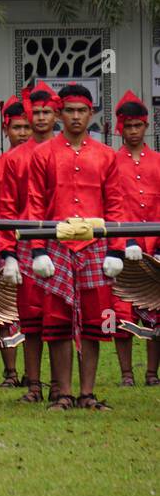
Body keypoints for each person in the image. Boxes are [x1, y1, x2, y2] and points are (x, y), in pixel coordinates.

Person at [26, 83, 124, 411]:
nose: (76, 117)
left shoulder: (107, 156)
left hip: (95, 245)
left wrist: (116, 250)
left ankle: (88, 393)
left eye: (82, 111)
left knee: (96, 323)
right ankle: (64, 392)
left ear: (92, 114)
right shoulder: (43, 155)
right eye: (69, 110)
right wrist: (38, 249)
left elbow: (116, 204)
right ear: (59, 114)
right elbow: (35, 204)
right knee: (57, 321)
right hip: (57, 244)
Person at [0, 81, 60, 401]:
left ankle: (61, 386)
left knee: (61, 316)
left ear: (55, 114)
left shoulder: (66, 151)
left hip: (63, 241)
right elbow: (7, 207)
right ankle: (33, 385)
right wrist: (7, 252)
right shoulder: (14, 159)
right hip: (26, 242)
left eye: (46, 112)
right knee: (31, 318)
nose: (39, 118)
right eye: (34, 113)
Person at [0, 95, 34, 388]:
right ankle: (11, 372)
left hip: (36, 246)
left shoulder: (43, 160)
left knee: (33, 314)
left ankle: (33, 373)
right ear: (6, 129)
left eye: (27, 126)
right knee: (6, 314)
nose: (23, 133)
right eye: (17, 127)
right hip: (5, 246)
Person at [110, 91, 160, 387]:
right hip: (124, 249)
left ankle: (152, 373)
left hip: (154, 248)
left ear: (146, 126)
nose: (132, 132)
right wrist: (124, 240)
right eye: (127, 127)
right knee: (122, 312)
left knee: (157, 309)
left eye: (137, 126)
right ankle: (126, 373)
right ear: (120, 128)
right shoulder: (112, 162)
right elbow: (111, 205)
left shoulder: (158, 162)